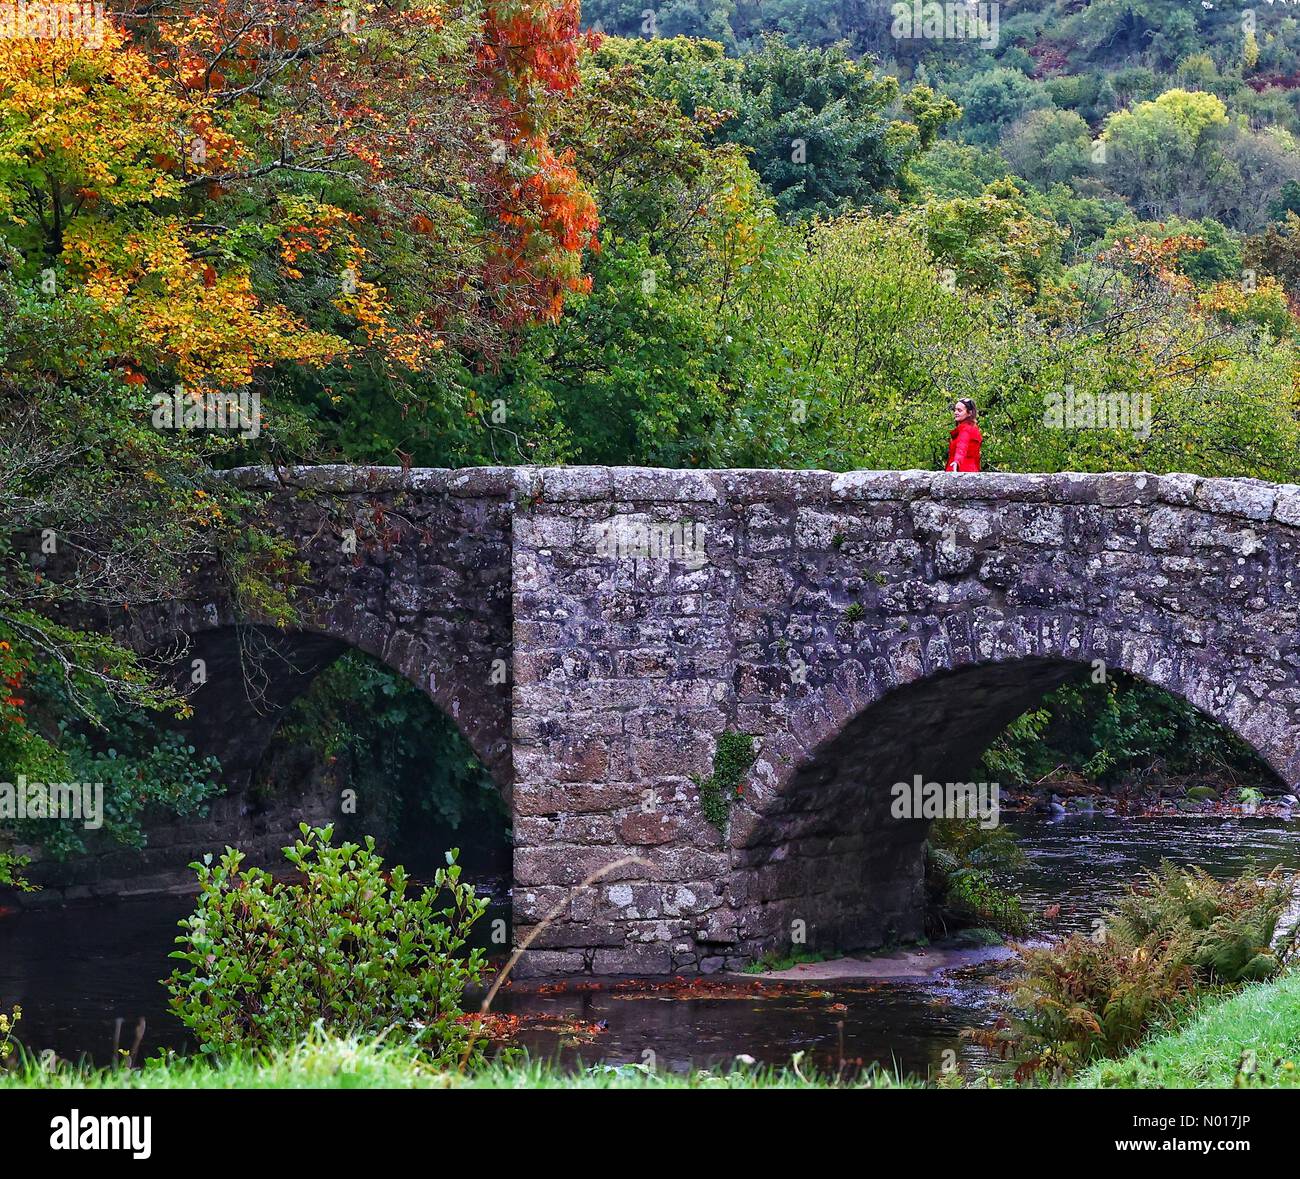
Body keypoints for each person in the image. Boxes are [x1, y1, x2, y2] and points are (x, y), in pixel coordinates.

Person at [946, 398, 982, 472]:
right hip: (971, 471)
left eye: (959, 410)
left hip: (961, 470)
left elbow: (962, 445)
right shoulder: (973, 429)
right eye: (955, 410)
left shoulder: (966, 430)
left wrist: (957, 461)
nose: (955, 412)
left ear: (969, 413)